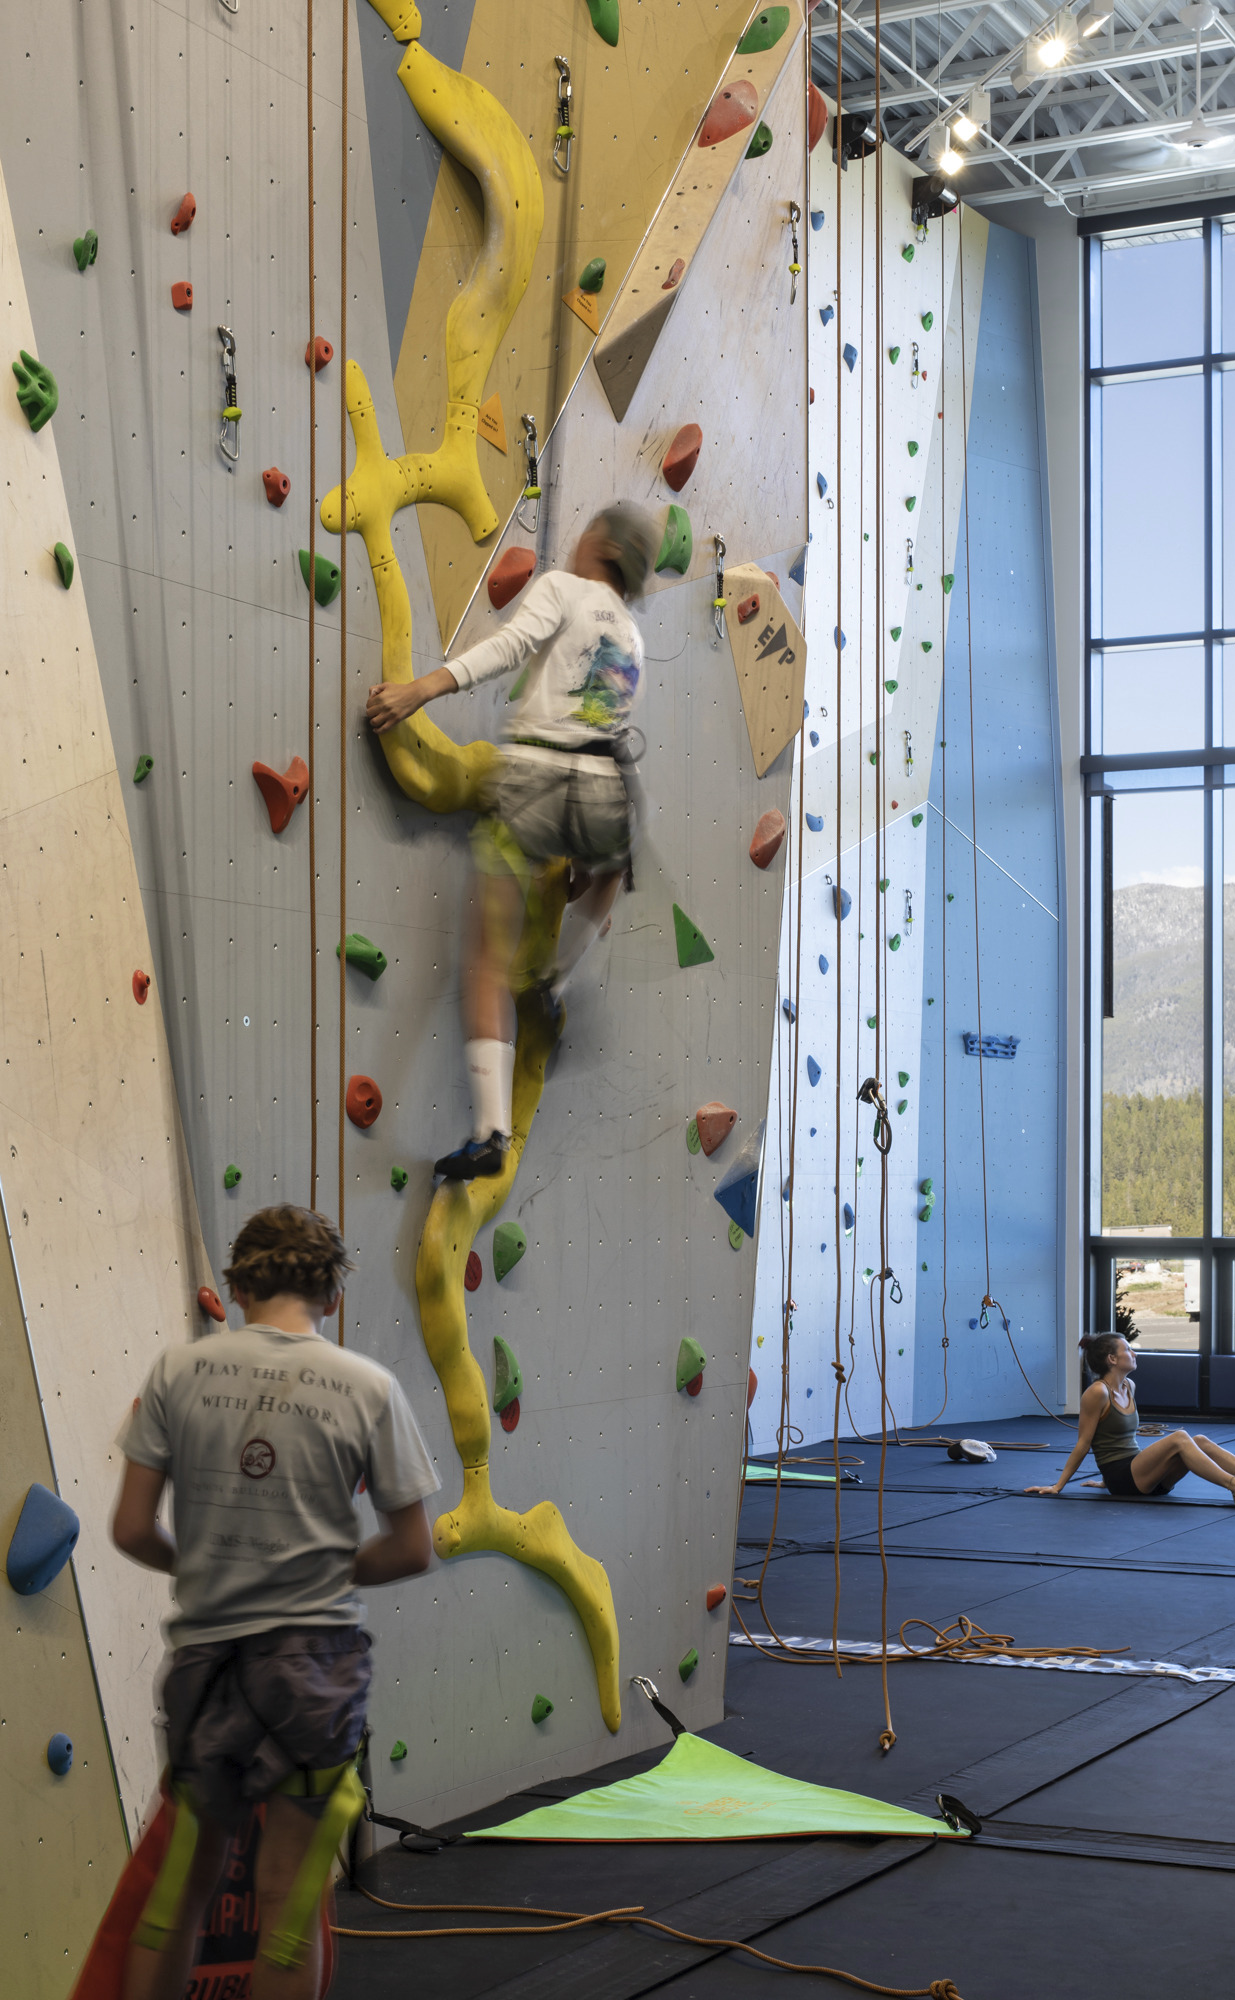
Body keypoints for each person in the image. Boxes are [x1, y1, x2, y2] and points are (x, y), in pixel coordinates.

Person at [111, 1206, 439, 1999]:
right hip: (313, 1665)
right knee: (288, 1903)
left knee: (180, 1893)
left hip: (206, 1663)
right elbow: (410, 1548)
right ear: (331, 1290)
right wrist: (319, 1574)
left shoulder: (175, 1372)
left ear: (237, 1283)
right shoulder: (368, 1386)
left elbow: (130, 1529)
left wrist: (206, 1574)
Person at [366, 506, 658, 1182]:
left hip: (534, 779)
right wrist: (592, 856)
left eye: (585, 529)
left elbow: (508, 647)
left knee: (486, 958)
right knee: (611, 872)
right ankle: (558, 978)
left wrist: (421, 690)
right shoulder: (634, 638)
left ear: (600, 546)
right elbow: (598, 716)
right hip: (604, 787)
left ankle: (491, 1128)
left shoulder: (564, 588)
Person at [1024, 1334, 1235, 1505]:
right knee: (1180, 1437)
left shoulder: (1129, 1387)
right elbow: (1085, 1443)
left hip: (1142, 1473)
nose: (1134, 1353)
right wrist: (1059, 1486)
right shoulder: (1096, 1393)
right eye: (1127, 1350)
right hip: (1125, 1479)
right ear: (1111, 1359)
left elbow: (1117, 1440)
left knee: (1200, 1440)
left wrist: (1103, 1482)